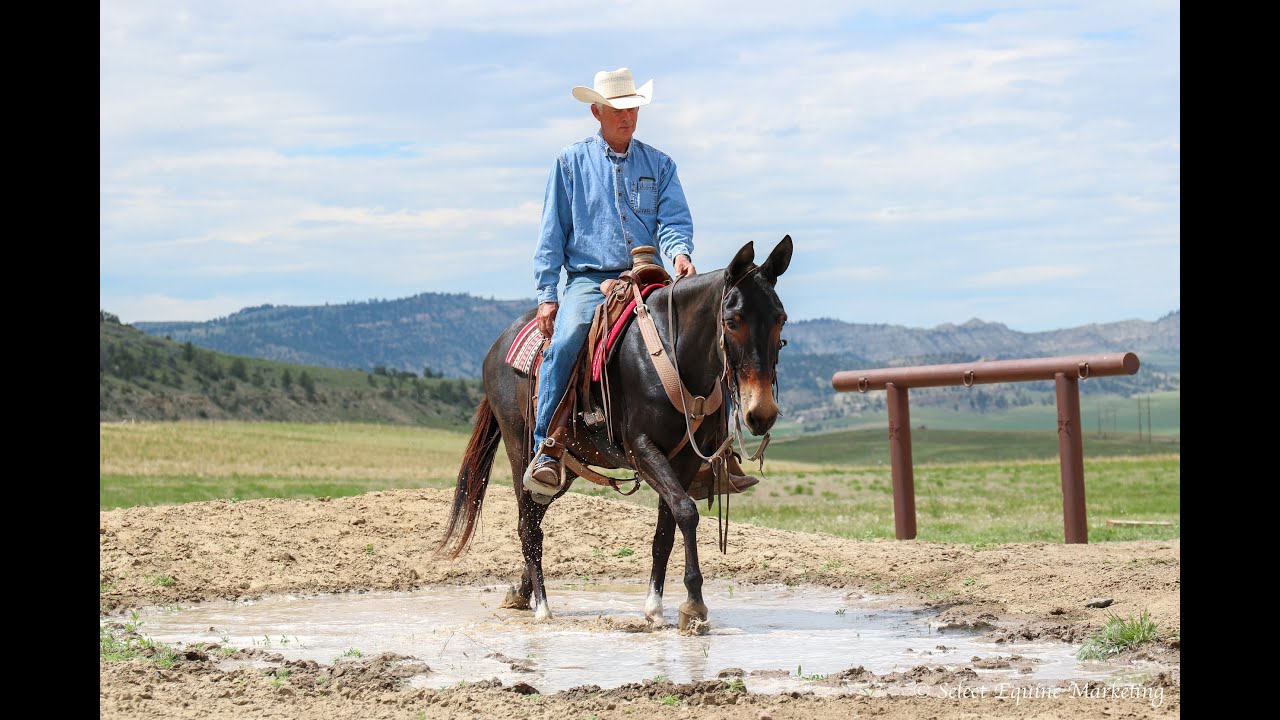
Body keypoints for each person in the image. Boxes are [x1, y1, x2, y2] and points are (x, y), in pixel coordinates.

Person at [525, 67, 697, 496]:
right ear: (597, 111)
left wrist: (679, 253)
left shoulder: (660, 164)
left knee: (703, 333)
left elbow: (673, 221)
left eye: (633, 108)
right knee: (566, 341)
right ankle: (546, 447)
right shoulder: (570, 163)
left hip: (648, 274)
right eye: (618, 109)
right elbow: (552, 232)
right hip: (589, 279)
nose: (627, 116)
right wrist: (548, 294)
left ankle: (715, 450)